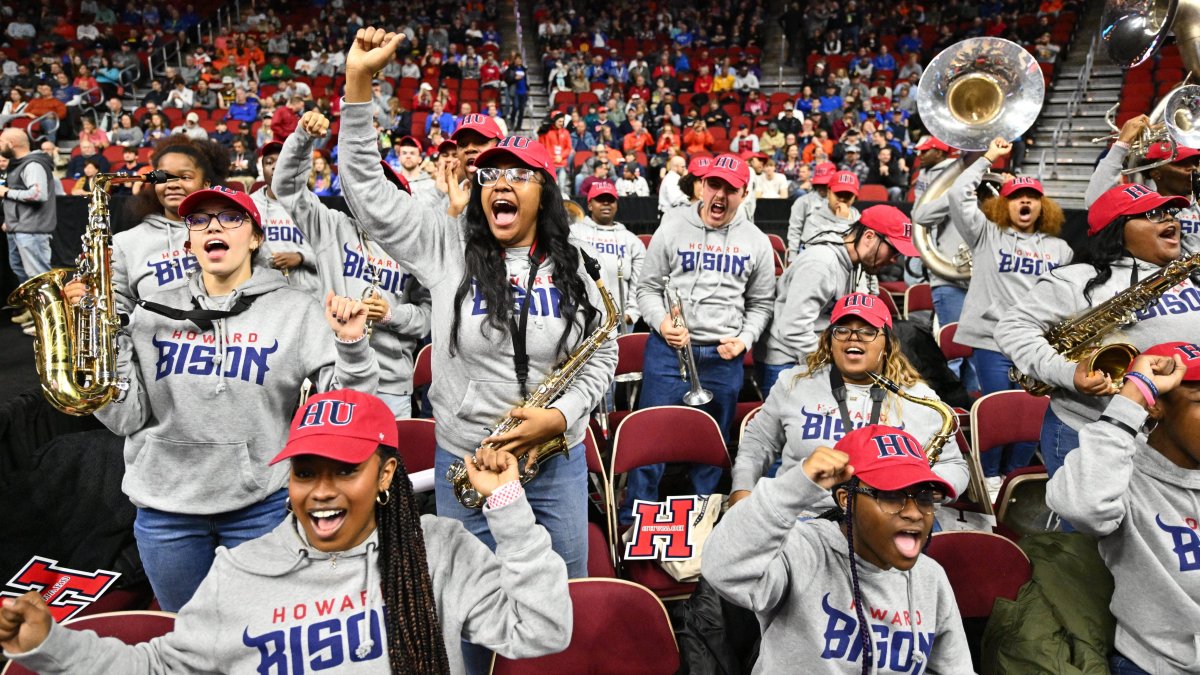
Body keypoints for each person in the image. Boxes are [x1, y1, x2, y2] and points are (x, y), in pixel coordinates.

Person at [0, 389, 573, 673]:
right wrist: (49, 645)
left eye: (344, 471)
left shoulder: (439, 551)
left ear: (387, 474)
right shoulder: (241, 571)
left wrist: (506, 505)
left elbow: (542, 632)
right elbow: (159, 668)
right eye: (304, 472)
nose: (320, 491)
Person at [338, 27, 616, 581]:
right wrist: (359, 83)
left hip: (555, 464)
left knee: (561, 607)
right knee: (473, 616)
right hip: (466, 460)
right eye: (489, 174)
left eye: (517, 175)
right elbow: (365, 189)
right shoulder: (447, 247)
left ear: (545, 191)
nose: (498, 185)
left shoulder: (579, 267)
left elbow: (601, 355)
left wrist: (559, 417)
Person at [61, 185, 378, 611]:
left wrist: (352, 345)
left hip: (258, 508)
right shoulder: (149, 313)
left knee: (261, 634)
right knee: (188, 637)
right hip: (164, 511)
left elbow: (346, 410)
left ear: (256, 237)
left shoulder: (296, 310)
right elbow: (126, 419)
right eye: (200, 220)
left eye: (231, 218)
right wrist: (96, 345)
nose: (214, 226)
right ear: (188, 239)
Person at [704, 425, 973, 674]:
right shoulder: (804, 551)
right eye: (891, 496)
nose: (914, 513)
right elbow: (724, 569)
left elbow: (955, 669)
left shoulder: (930, 577)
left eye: (924, 497)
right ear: (847, 500)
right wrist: (793, 488)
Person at [999, 185, 1199, 483]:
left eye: (1170, 212)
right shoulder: (1075, 281)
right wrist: (1068, 372)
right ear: (1117, 230)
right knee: (1094, 528)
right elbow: (1012, 329)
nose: (1169, 221)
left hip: (1173, 434)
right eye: (1153, 214)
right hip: (1090, 430)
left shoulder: (1187, 273)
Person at [620, 153, 775, 523]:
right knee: (651, 443)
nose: (720, 195)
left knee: (711, 447)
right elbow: (647, 289)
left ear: (744, 193)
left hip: (724, 358)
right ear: (702, 186)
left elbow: (761, 304)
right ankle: (634, 523)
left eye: (730, 189)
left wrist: (745, 339)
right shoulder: (672, 226)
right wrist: (660, 323)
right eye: (714, 185)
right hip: (669, 353)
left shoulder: (757, 241)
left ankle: (699, 524)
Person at [731, 292, 969, 509]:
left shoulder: (919, 397)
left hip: (889, 519)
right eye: (842, 330)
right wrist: (741, 491)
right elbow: (756, 446)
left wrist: (934, 486)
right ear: (830, 341)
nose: (853, 338)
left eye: (867, 331)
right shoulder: (792, 383)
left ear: (887, 343)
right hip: (803, 517)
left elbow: (955, 466)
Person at [1046, 343, 1200, 675]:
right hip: (1158, 665)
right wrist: (1133, 398)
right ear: (1155, 406)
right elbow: (1084, 507)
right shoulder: (1118, 471)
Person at [275, 111, 432, 417]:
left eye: (383, 191)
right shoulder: (333, 226)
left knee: (388, 464)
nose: (372, 199)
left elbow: (427, 318)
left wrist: (392, 313)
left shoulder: (415, 248)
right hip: (334, 374)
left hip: (392, 384)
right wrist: (303, 139)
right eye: (365, 190)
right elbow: (288, 190)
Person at [947, 137, 1072, 497]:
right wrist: (988, 157)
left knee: (1031, 413)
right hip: (993, 340)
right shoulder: (987, 234)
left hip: (1038, 344)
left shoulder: (1059, 249)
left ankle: (1015, 477)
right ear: (1005, 204)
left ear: (1042, 205)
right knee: (1000, 408)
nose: (1025, 201)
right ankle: (987, 476)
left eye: (1032, 197)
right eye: (1017, 196)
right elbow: (959, 195)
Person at [759, 206, 920, 393]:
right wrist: (838, 361)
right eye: (893, 251)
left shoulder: (853, 265)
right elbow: (793, 329)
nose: (894, 260)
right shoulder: (821, 265)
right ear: (869, 237)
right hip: (788, 364)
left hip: (811, 362)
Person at [64, 137, 225, 316]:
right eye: (164, 176)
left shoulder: (232, 232)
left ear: (206, 184)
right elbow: (119, 312)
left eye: (185, 176)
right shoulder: (125, 243)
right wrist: (90, 305)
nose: (172, 184)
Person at [911, 135, 974, 392]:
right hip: (950, 275)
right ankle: (950, 403)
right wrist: (959, 191)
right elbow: (922, 216)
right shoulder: (943, 176)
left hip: (978, 279)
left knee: (976, 350)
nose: (921, 156)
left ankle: (973, 408)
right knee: (956, 350)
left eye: (926, 151)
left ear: (940, 151)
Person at [1085, 115, 1200, 253]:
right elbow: (1097, 203)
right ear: (1155, 173)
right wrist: (1122, 144)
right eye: (1181, 163)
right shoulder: (1140, 207)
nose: (1193, 168)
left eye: (1196, 162)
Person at [0, 127, 57, 334]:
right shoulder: (19, 165)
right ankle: (34, 310)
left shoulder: (33, 164)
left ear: (11, 144)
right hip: (19, 228)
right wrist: (12, 221)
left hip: (32, 230)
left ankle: (48, 320)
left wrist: (6, 192)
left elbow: (37, 194)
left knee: (38, 276)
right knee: (21, 271)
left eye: (1, 142)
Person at [249, 140, 322, 296]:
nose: (275, 166)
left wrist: (301, 257)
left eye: (281, 161)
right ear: (263, 169)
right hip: (265, 293)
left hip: (309, 293)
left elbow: (329, 254)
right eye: (269, 162)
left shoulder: (310, 203)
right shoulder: (250, 204)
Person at [571, 180, 645, 329]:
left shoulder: (631, 239)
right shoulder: (573, 232)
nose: (606, 204)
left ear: (616, 205)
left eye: (610, 200)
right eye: (600, 199)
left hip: (619, 320)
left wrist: (631, 314)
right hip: (579, 318)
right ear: (590, 204)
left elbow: (640, 281)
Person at [785, 162, 837, 256]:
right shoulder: (803, 201)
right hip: (808, 250)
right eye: (819, 183)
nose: (822, 186)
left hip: (833, 252)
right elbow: (794, 230)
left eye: (825, 183)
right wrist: (792, 256)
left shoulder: (840, 204)